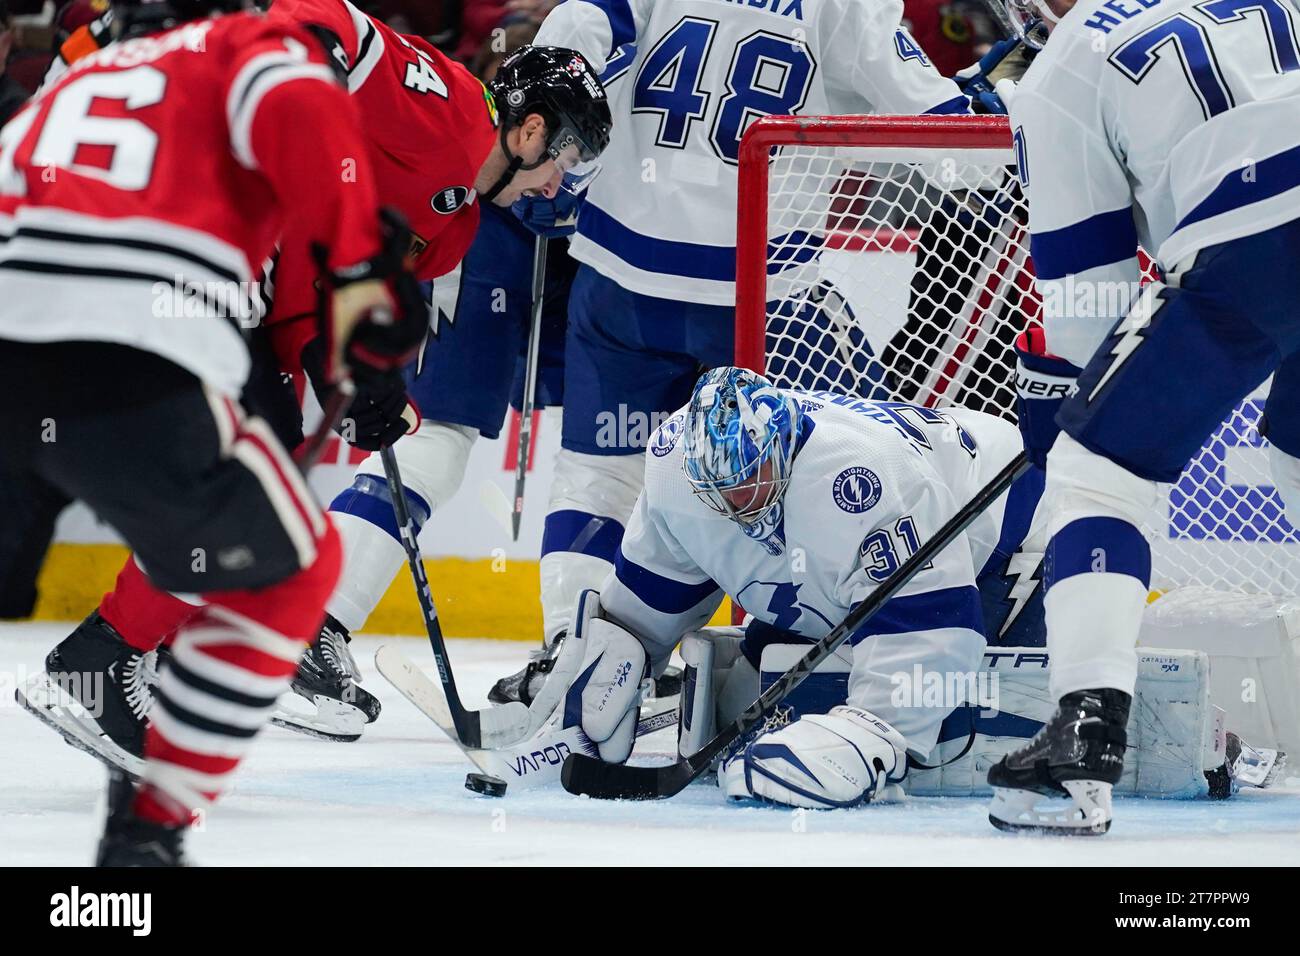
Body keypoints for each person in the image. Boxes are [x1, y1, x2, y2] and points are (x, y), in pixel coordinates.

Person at [18, 0, 609, 752]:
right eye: (566, 158)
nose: (559, 186)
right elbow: (320, 18)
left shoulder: (453, 229)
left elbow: (318, 291)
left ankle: (130, 655)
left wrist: (361, 382)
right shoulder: (446, 103)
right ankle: (106, 661)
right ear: (529, 132)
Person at [487, 0, 1024, 705]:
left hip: (621, 280)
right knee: (836, 469)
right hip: (763, 294)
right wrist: (996, 109)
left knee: (598, 476)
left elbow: (579, 32)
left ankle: (576, 663)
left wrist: (559, 157)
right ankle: (815, 666)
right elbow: (952, 143)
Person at [0, 0, 425, 863]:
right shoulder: (254, 45)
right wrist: (360, 277)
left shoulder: (81, 77)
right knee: (296, 569)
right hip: (121, 351)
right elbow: (300, 108)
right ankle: (145, 838)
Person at [983, 0, 1300, 833]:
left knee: (1101, 473)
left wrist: (1079, 414)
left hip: (1258, 230)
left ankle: (1082, 747)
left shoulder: (1063, 68)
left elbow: (1092, 312)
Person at [538, 367, 1046, 807]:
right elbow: (651, 594)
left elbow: (933, 626)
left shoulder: (860, 480)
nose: (736, 503)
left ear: (781, 445)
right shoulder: (678, 466)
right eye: (720, 490)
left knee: (994, 706)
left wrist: (874, 731)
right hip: (882, 544)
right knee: (742, 705)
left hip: (1008, 524)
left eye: (748, 479)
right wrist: (618, 652)